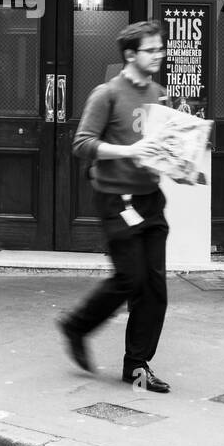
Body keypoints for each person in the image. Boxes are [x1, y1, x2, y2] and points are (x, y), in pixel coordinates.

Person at [58, 20, 172, 393]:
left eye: (160, 48)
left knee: (154, 288)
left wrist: (181, 160)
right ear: (130, 54)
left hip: (151, 200)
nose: (159, 54)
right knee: (130, 278)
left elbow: (160, 147)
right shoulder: (105, 94)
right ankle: (77, 325)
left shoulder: (160, 94)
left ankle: (137, 366)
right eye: (151, 49)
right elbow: (82, 143)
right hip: (116, 199)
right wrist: (127, 151)